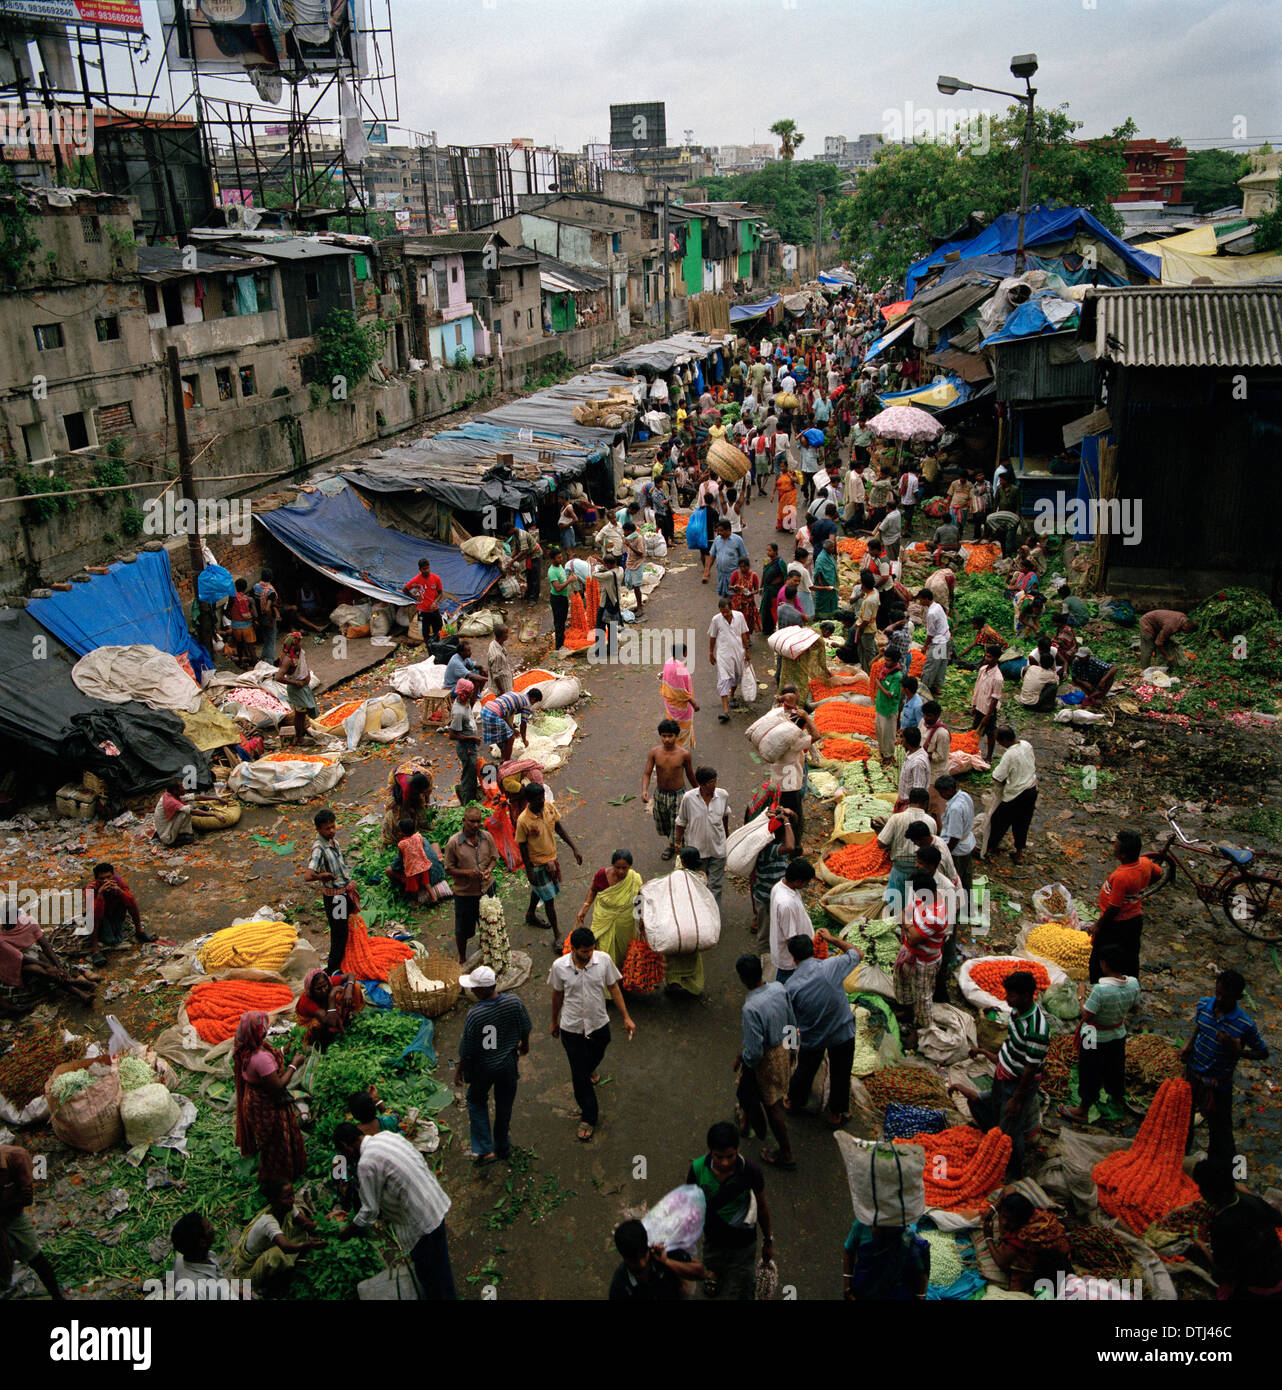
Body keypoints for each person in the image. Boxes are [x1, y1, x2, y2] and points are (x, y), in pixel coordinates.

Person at [334, 1122, 455, 1299]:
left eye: (342, 1152)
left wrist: (347, 1231)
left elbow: (369, 1212)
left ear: (346, 1146)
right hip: (434, 1202)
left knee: (429, 1274)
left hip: (419, 1220)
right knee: (441, 1265)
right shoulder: (387, 1136)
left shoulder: (366, 1164)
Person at [957, 970, 1049, 1178]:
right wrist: (986, 1053)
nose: (1007, 998)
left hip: (1017, 1085)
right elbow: (1010, 1048)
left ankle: (1012, 1171)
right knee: (993, 1110)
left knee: (1011, 1131)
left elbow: (1030, 1069)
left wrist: (1017, 1099)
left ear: (1026, 996)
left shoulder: (1037, 1030)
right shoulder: (1016, 1013)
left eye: (1012, 995)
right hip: (1002, 1076)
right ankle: (993, 1143)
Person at [550, 926, 636, 1142]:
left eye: (590, 950)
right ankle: (589, 1117)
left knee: (598, 1050)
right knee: (580, 1078)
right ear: (574, 950)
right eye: (583, 952)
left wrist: (626, 1017)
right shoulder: (560, 967)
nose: (588, 955)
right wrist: (554, 1021)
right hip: (572, 1027)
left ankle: (589, 1070)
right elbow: (557, 995)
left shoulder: (603, 960)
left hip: (598, 1023)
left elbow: (614, 987)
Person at [1181, 969, 1269, 1174]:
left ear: (1237, 998)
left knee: (1220, 1131)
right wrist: (1188, 1045)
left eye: (1225, 997)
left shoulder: (1245, 1024)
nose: (1219, 999)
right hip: (1193, 1074)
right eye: (1217, 993)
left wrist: (1237, 1051)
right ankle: (1180, 1156)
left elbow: (1262, 1052)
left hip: (1218, 1084)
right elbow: (1199, 1028)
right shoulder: (1204, 1004)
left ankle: (1223, 1173)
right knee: (1183, 1119)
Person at [687, 1121, 774, 1300]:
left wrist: (768, 1240)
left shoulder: (751, 1172)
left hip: (743, 1242)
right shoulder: (697, 1169)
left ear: (737, 1150)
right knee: (712, 1265)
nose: (725, 1162)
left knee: (743, 1287)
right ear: (709, 1150)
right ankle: (714, 1278)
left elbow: (763, 1207)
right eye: (719, 1157)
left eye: (730, 1156)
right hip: (713, 1238)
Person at [453, 963, 531, 1164]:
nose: (471, 990)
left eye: (474, 988)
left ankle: (485, 1149)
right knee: (504, 1104)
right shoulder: (514, 1002)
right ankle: (502, 1146)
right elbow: (525, 1026)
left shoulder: (476, 1014)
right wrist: (525, 1045)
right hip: (508, 1064)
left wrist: (459, 1069)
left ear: (482, 989)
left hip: (484, 1068)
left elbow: (467, 1048)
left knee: (476, 1100)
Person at [783, 932, 861, 1127]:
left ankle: (794, 1101)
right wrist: (833, 939)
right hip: (841, 1033)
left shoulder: (791, 986)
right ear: (813, 950)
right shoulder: (831, 966)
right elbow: (857, 953)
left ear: (794, 958)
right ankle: (836, 1113)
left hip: (813, 1038)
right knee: (841, 1073)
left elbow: (789, 1022)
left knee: (805, 1068)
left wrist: (791, 1049)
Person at [1058, 946, 1139, 1124]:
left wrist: (1081, 996)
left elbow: (1087, 1015)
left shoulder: (1101, 991)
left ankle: (1082, 1110)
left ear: (1104, 965)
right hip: (1118, 1034)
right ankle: (1116, 1101)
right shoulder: (1133, 983)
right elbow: (1134, 1007)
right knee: (1115, 1068)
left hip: (1092, 1035)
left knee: (1089, 1070)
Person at [734, 953, 797, 1169]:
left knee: (771, 1105)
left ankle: (787, 1154)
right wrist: (793, 1050)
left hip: (766, 1059)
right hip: (784, 1050)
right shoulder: (779, 988)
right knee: (754, 1092)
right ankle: (746, 1121)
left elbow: (754, 1051)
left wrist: (743, 1060)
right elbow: (792, 1020)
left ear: (742, 979)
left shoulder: (750, 1009)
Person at [233, 1011, 306, 1184]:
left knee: (268, 1139)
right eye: (264, 1027)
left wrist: (282, 1051)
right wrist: (294, 1065)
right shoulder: (260, 1058)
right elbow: (278, 1086)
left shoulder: (247, 1047)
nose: (267, 1028)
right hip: (267, 1104)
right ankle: (280, 1177)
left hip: (254, 1099)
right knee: (276, 1140)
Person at [1192, 1160, 1282, 1301]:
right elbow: (1278, 1218)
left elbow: (1222, 1269)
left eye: (1202, 1188)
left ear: (1214, 1193)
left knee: (1198, 1257)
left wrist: (1202, 1246)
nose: (1199, 1191)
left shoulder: (1221, 1223)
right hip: (1277, 1268)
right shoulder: (1251, 1200)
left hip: (1256, 1287)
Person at [1086, 830, 1161, 981]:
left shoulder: (1122, 876)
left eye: (1116, 846)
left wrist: (1097, 926)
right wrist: (1139, 890)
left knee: (1099, 959)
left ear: (1123, 855)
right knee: (1131, 956)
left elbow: (1114, 907)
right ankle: (1131, 985)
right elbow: (1159, 873)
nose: (1113, 847)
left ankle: (1099, 987)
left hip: (1115, 924)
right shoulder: (1145, 862)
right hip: (1134, 920)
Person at [230, 1178, 325, 1296]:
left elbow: (307, 1224)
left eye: (292, 1195)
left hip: (268, 1251)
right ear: (273, 1200)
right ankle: (268, 1287)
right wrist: (309, 1244)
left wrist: (328, 1224)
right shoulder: (268, 1222)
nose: (292, 1200)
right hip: (249, 1271)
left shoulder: (288, 1207)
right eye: (286, 1197)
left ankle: (290, 1260)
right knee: (277, 1254)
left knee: (300, 1226)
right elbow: (285, 1247)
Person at [516, 782, 581, 944]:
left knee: (540, 890)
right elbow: (522, 846)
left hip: (552, 858)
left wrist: (574, 848)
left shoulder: (549, 808)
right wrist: (529, 870)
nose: (542, 801)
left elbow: (559, 827)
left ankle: (530, 914)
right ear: (529, 800)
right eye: (538, 799)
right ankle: (557, 935)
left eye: (543, 797)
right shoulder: (523, 820)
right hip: (537, 864)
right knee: (549, 899)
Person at [0, 1142, 65, 1299]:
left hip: (12, 1214)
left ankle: (57, 1296)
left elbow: (26, 1198)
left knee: (34, 1255)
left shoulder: (16, 1157)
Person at [0, 902, 94, 1009]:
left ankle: (80, 993)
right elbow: (20, 958)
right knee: (36, 969)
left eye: (10, 918)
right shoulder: (1, 938)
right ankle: (75, 986)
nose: (6, 922)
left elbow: (44, 945)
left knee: (49, 965)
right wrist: (48, 967)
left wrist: (58, 968)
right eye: (5, 918)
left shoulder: (28, 922)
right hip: (11, 963)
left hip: (30, 952)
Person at [891, 870, 949, 1043]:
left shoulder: (936, 915)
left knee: (923, 996)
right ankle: (908, 1011)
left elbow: (915, 938)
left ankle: (920, 1030)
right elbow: (905, 912)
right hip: (910, 952)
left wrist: (907, 925)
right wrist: (908, 927)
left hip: (925, 961)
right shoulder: (922, 897)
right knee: (902, 981)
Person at [979, 1191, 1071, 1293]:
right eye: (1003, 1216)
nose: (1004, 1222)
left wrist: (988, 1238)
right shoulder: (1038, 1214)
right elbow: (1006, 1190)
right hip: (1062, 1259)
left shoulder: (1022, 1236)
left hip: (1044, 1271)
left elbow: (1001, 1262)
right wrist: (993, 1208)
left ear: (1021, 1221)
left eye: (1010, 1220)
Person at [303, 807, 358, 973]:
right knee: (339, 932)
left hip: (343, 892)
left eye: (333, 826)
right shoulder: (319, 847)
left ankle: (347, 957)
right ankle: (333, 967)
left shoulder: (334, 842)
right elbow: (308, 875)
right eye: (327, 829)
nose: (332, 831)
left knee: (346, 926)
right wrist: (321, 876)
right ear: (318, 829)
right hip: (336, 899)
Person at [673, 766, 731, 907]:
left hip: (718, 848)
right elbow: (681, 821)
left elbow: (725, 816)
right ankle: (700, 912)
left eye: (715, 781)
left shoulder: (722, 795)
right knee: (699, 884)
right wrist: (678, 842)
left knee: (715, 886)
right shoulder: (689, 798)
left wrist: (727, 837)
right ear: (702, 784)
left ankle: (713, 914)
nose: (715, 785)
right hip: (697, 850)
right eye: (711, 782)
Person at [575, 850, 642, 969]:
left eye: (624, 868)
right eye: (617, 867)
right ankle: (605, 972)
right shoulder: (602, 875)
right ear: (612, 865)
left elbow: (639, 899)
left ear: (630, 867)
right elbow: (593, 890)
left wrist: (641, 919)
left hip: (625, 922)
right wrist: (585, 907)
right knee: (602, 946)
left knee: (624, 947)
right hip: (604, 917)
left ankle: (623, 972)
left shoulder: (634, 879)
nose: (621, 871)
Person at [609, 1219, 705, 1301]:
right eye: (634, 1260)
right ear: (623, 1256)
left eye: (643, 1255)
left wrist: (667, 1262)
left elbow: (701, 1273)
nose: (642, 1264)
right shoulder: (620, 1285)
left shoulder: (663, 1253)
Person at [642, 720, 697, 860]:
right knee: (664, 823)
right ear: (660, 736)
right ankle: (672, 844)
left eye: (670, 736)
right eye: (664, 736)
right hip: (660, 794)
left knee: (678, 823)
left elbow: (690, 775)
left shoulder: (684, 755)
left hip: (678, 795)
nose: (667, 739)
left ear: (676, 736)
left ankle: (678, 850)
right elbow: (647, 773)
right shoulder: (654, 753)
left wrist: (699, 791)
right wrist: (644, 790)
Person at [841, 1218, 930, 1301]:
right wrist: (847, 1284)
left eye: (881, 1228)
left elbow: (920, 1272)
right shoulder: (862, 1223)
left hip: (895, 1293)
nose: (874, 1230)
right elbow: (849, 1250)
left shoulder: (906, 1238)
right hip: (864, 1287)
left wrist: (920, 1296)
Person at [84, 861, 154, 968]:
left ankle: (139, 930)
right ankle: (95, 950)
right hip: (101, 917)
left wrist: (120, 892)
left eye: (108, 877)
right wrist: (100, 895)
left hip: (116, 914)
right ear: (96, 879)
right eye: (102, 879)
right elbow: (95, 914)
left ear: (113, 875)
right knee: (109, 939)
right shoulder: (90, 889)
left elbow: (131, 902)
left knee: (128, 901)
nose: (106, 881)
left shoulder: (119, 882)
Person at [985, 726, 1038, 864]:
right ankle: (1019, 854)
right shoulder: (1026, 745)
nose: (999, 745)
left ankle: (990, 848)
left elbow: (997, 776)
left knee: (998, 820)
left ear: (1005, 740)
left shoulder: (1010, 754)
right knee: (1023, 822)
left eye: (999, 741)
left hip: (1016, 793)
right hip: (1031, 789)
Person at [768, 856, 815, 984]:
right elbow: (791, 938)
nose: (808, 885)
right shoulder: (786, 904)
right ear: (798, 881)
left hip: (790, 956)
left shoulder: (780, 885)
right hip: (790, 959)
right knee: (787, 987)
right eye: (807, 882)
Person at [295, 967, 364, 1050]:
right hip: (316, 1022)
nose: (324, 990)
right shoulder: (307, 1001)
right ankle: (321, 1043)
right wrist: (331, 997)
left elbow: (350, 975)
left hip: (328, 1011)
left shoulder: (328, 982)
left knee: (355, 986)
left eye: (325, 986)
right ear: (311, 990)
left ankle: (347, 1018)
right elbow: (329, 1021)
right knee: (316, 1024)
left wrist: (348, 990)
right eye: (318, 989)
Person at [169, 1213, 232, 1300]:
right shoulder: (194, 1293)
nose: (213, 1226)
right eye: (208, 1227)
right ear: (202, 1242)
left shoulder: (182, 1258)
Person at [936, 776, 975, 913]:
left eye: (941, 793)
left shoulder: (955, 809)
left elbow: (954, 837)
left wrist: (945, 853)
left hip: (957, 849)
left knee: (955, 879)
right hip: (967, 843)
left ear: (949, 790)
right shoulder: (964, 795)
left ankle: (957, 909)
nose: (940, 796)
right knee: (966, 875)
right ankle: (969, 905)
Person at [708, 596, 751, 721]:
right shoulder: (716, 620)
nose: (725, 615)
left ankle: (732, 694)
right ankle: (726, 711)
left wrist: (747, 650)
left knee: (737, 676)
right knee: (723, 679)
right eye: (723, 612)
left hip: (738, 652)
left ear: (731, 608)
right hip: (723, 655)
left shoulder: (740, 616)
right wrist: (711, 652)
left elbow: (743, 634)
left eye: (727, 611)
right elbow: (712, 637)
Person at [275, 631, 318, 746]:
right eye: (299, 641)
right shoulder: (288, 659)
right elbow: (278, 677)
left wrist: (307, 675)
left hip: (303, 686)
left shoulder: (299, 653)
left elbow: (303, 665)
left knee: (302, 713)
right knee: (299, 714)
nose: (301, 643)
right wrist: (295, 682)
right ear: (294, 644)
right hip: (296, 689)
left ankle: (302, 732)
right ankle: (300, 738)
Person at [480, 687, 543, 764]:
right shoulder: (527, 703)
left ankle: (503, 759)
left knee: (502, 737)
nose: (533, 704)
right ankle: (507, 764)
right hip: (493, 714)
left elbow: (505, 715)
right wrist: (524, 740)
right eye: (535, 702)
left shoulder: (518, 695)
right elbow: (523, 725)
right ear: (533, 699)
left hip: (486, 710)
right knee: (511, 738)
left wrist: (512, 729)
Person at [657, 640, 699, 750]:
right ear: (682, 653)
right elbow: (680, 690)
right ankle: (678, 754)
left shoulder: (669, 662)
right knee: (682, 730)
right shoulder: (678, 668)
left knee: (673, 725)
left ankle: (673, 748)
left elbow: (666, 676)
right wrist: (693, 702)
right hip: (681, 705)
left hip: (670, 703)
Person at [446, 679, 482, 806]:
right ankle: (468, 804)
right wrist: (472, 738)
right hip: (466, 748)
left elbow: (472, 701)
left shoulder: (464, 702)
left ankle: (468, 797)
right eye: (470, 692)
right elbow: (452, 735)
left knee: (471, 774)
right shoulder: (458, 712)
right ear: (464, 694)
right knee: (469, 777)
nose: (472, 695)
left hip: (470, 746)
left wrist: (477, 685)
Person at [970, 644, 1004, 763]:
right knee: (975, 731)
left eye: (990, 657)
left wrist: (988, 715)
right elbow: (977, 688)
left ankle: (989, 757)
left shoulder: (998, 678)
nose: (986, 658)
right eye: (986, 656)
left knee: (990, 733)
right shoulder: (982, 670)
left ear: (996, 658)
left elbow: (995, 699)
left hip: (989, 710)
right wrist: (974, 705)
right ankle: (972, 751)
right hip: (979, 706)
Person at [918, 588, 951, 699]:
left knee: (931, 666)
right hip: (945, 639)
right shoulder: (938, 606)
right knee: (941, 664)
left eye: (921, 600)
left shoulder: (931, 613)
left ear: (927, 599)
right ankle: (936, 686)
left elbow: (931, 633)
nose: (920, 602)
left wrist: (925, 646)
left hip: (938, 642)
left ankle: (924, 689)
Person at [403, 557, 444, 643]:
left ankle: (437, 648)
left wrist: (435, 602)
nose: (426, 570)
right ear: (420, 569)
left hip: (434, 610)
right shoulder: (416, 580)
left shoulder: (436, 578)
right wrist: (415, 597)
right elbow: (405, 589)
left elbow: (440, 593)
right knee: (425, 634)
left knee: (439, 631)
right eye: (424, 569)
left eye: (428, 568)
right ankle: (429, 649)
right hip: (423, 612)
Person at [873, 650, 903, 762]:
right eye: (885, 659)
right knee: (880, 732)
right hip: (880, 707)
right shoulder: (885, 670)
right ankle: (883, 753)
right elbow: (873, 664)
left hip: (888, 710)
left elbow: (890, 694)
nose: (885, 662)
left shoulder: (897, 676)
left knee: (888, 735)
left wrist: (878, 684)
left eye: (888, 660)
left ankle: (889, 756)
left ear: (895, 661)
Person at [508, 520, 543, 602]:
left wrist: (512, 561)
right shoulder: (515, 535)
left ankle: (534, 598)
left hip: (536, 555)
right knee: (529, 576)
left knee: (535, 577)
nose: (508, 533)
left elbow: (523, 551)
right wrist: (509, 558)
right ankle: (528, 594)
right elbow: (516, 549)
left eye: (508, 531)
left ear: (511, 529)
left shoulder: (522, 535)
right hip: (530, 556)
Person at [226, 576, 258, 666]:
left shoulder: (232, 598)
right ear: (245, 587)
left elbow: (226, 612)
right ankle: (255, 665)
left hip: (236, 626)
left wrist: (233, 618)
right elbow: (255, 615)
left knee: (239, 645)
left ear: (236, 587)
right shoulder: (249, 599)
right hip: (247, 627)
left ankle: (240, 663)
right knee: (251, 647)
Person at [896, 725, 930, 806]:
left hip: (910, 805)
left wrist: (909, 805)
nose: (901, 740)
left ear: (907, 741)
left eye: (902, 737)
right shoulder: (910, 753)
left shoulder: (918, 763)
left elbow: (918, 789)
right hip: (904, 801)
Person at [547, 546, 572, 650]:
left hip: (563, 598)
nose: (561, 559)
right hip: (557, 599)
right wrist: (569, 580)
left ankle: (562, 642)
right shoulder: (552, 571)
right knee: (559, 623)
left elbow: (563, 579)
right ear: (552, 559)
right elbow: (557, 588)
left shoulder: (560, 566)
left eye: (561, 557)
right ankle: (559, 646)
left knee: (562, 621)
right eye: (558, 558)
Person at [728, 555, 762, 633]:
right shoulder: (735, 574)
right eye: (741, 567)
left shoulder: (754, 575)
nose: (743, 569)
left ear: (748, 566)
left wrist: (750, 593)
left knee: (748, 621)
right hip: (737, 604)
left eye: (744, 567)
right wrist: (735, 587)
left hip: (748, 604)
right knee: (736, 621)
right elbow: (729, 586)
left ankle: (747, 639)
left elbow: (756, 590)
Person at [252, 570, 280, 664]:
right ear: (271, 578)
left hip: (259, 617)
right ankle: (270, 662)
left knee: (266, 639)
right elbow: (268, 609)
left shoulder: (256, 587)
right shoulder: (270, 592)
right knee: (271, 640)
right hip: (267, 617)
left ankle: (263, 658)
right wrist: (271, 620)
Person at [759, 543, 786, 637]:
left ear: (775, 551)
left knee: (774, 608)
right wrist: (761, 586)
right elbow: (764, 574)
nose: (768, 552)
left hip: (775, 590)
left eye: (770, 550)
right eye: (767, 550)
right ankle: (766, 628)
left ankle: (775, 627)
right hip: (767, 589)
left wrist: (784, 589)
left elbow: (784, 576)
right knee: (765, 609)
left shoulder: (780, 562)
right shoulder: (767, 561)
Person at [484, 623, 515, 697]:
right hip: (503, 687)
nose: (508, 634)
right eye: (507, 633)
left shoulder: (494, 643)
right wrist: (502, 691)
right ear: (502, 635)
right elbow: (496, 676)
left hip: (505, 679)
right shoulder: (497, 655)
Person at [813, 536, 839, 619]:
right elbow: (818, 572)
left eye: (833, 547)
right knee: (824, 602)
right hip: (824, 584)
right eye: (831, 547)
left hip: (832, 583)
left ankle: (832, 615)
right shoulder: (821, 558)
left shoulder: (830, 555)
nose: (833, 548)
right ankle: (822, 617)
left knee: (832, 600)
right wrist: (822, 586)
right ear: (826, 548)